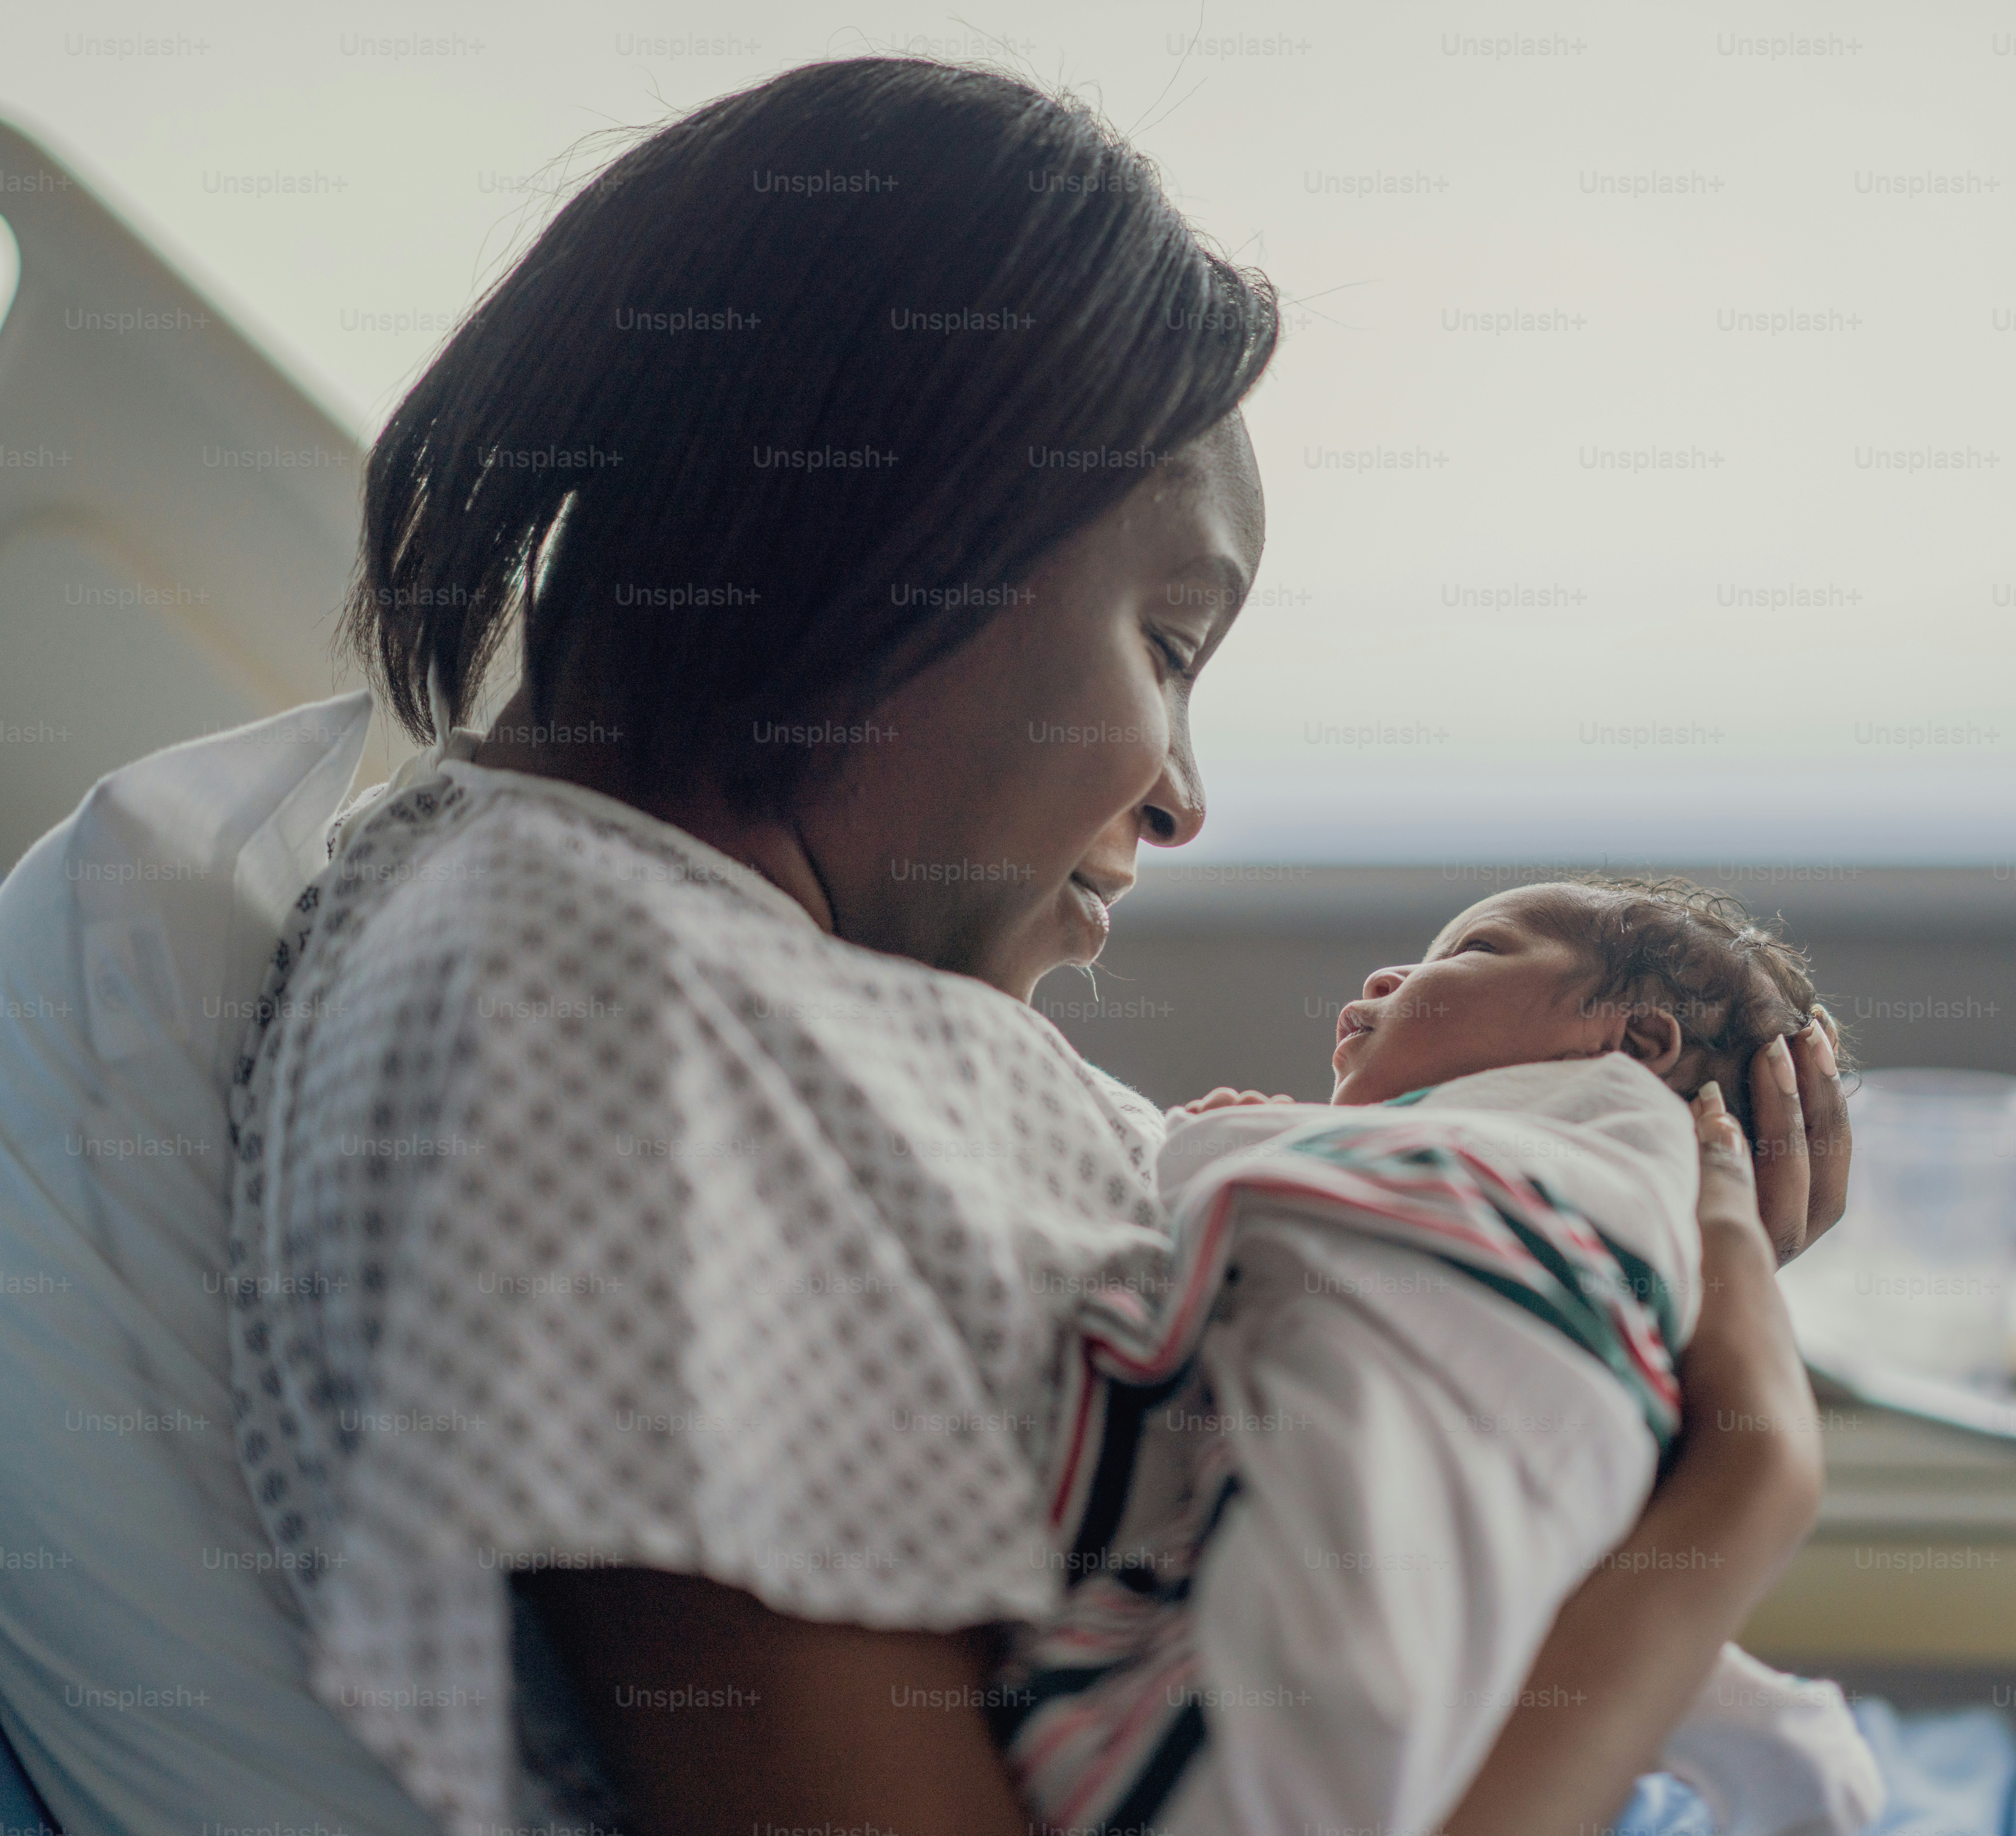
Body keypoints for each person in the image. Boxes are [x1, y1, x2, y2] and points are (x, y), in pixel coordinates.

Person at [219, 57, 1851, 1836]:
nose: (1182, 800)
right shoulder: (599, 1012)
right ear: (891, 528)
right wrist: (1733, 1497)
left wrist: (1593, 1270)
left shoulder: (706, 960)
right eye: (1169, 646)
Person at [998, 878, 1884, 1836]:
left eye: (1474, 950)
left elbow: (1189, 1177)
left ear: (1634, 1045)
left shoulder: (1566, 1128)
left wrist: (1212, 1131)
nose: (1387, 977)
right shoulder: (1656, 1231)